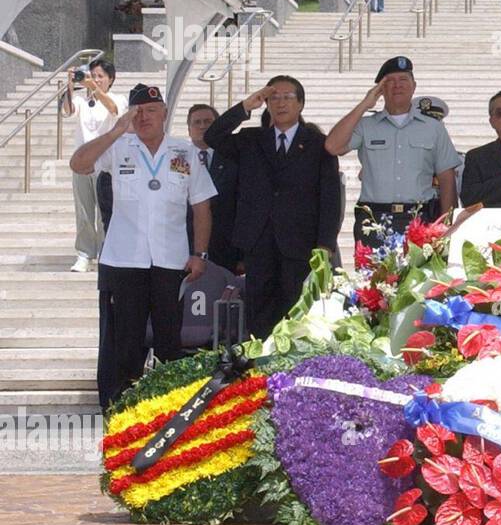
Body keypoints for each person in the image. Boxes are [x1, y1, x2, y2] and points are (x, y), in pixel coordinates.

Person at [70, 84, 215, 407]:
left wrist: (200, 253)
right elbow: (79, 164)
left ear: (164, 112)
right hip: (124, 261)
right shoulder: (119, 146)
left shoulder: (185, 152)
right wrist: (115, 130)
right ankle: (124, 407)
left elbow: (201, 207)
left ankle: (169, 406)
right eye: (137, 112)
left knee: (168, 338)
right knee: (126, 341)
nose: (144, 117)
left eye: (151, 110)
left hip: (170, 260)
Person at [205, 75, 340, 338]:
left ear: (300, 104)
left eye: (288, 97)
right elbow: (213, 136)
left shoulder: (318, 143)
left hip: (300, 243)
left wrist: (325, 244)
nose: (280, 103)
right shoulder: (251, 139)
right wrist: (246, 106)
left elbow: (330, 198)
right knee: (261, 315)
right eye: (273, 97)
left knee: (297, 314)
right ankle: (261, 372)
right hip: (258, 242)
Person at [325, 56, 460, 249]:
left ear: (414, 86)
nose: (397, 85)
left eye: (403, 80)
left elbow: (446, 179)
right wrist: (364, 104)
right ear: (380, 89)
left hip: (419, 219)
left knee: (420, 279)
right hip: (374, 220)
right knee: (372, 279)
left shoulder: (433, 128)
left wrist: (447, 227)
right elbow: (332, 146)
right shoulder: (366, 125)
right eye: (390, 81)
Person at [62, 57, 119, 272]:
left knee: (106, 210)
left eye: (100, 77)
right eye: (92, 75)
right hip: (83, 164)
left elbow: (114, 110)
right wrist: (69, 84)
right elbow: (68, 110)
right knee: (84, 211)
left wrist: (95, 89)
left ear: (110, 79)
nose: (95, 79)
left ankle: (107, 251)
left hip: (106, 165)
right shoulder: (82, 102)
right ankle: (84, 253)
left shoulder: (116, 98)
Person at [186, 102, 240, 271]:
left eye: (208, 122)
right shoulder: (176, 159)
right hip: (185, 249)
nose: (202, 126)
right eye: (197, 122)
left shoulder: (234, 160)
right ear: (188, 129)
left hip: (226, 249)